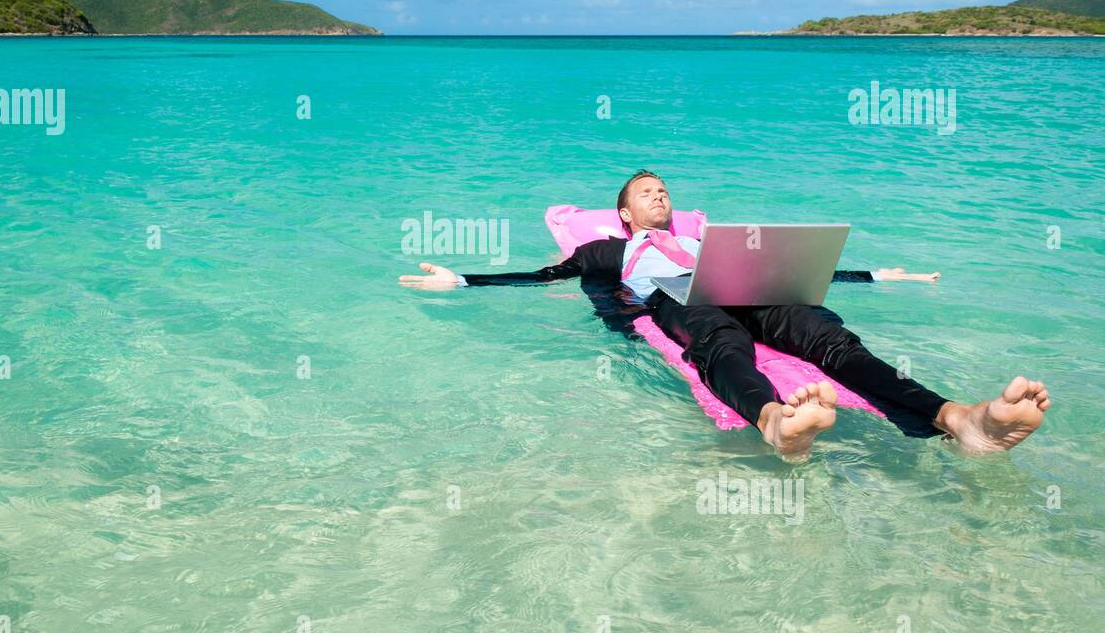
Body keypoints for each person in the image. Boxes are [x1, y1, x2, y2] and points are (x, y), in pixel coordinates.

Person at [399, 171, 1050, 456]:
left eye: (665, 192)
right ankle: (773, 421)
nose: (660, 198)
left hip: (744, 284)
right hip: (680, 301)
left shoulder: (704, 239)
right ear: (624, 211)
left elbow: (794, 267)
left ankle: (958, 418)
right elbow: (546, 274)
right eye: (646, 194)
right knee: (716, 338)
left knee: (827, 333)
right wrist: (461, 278)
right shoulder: (608, 247)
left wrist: (881, 273)